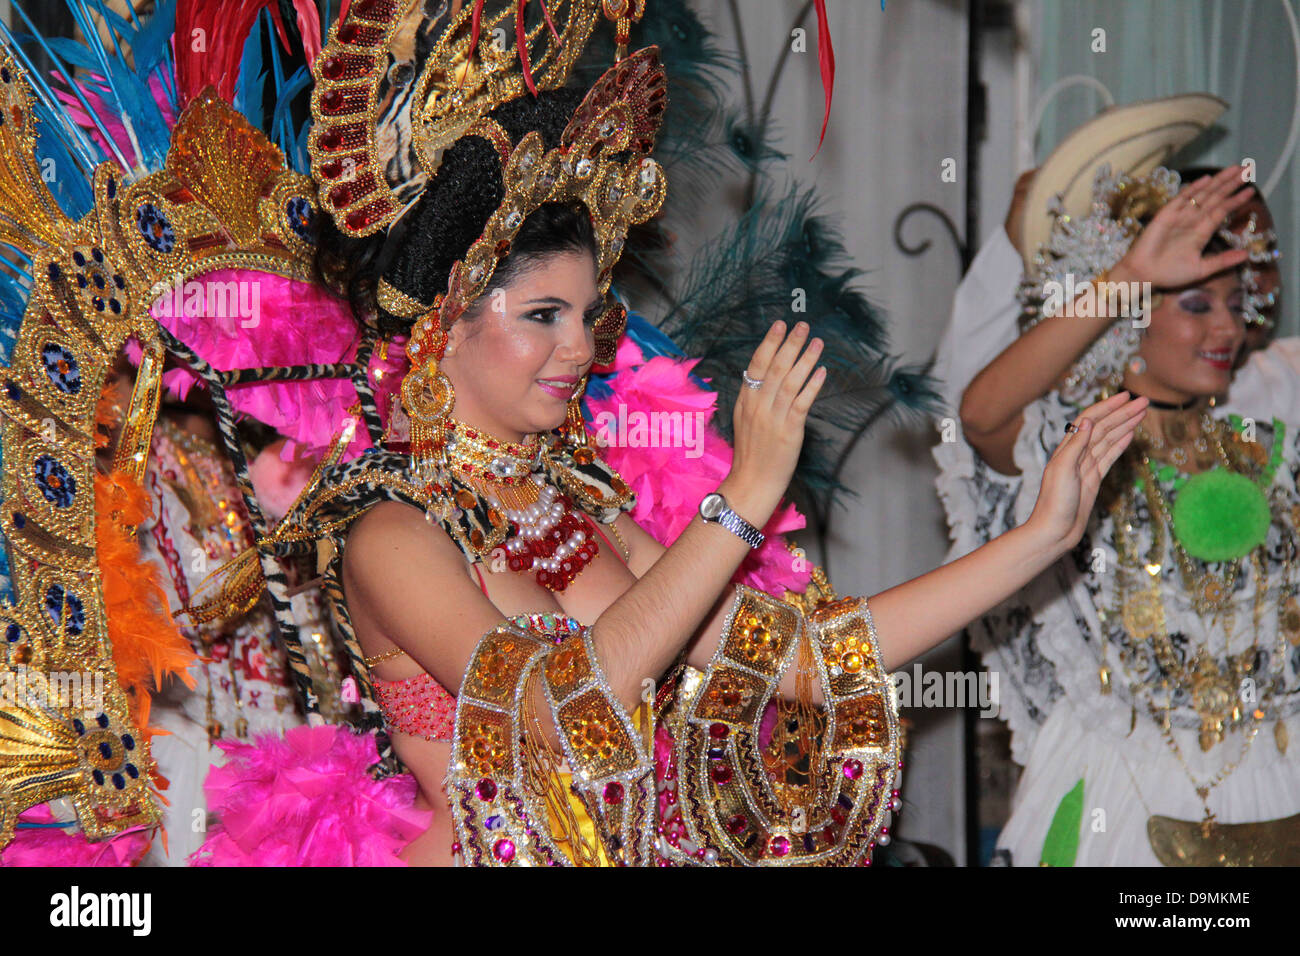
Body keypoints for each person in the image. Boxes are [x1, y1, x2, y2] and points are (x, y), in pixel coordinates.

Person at [285, 20, 1147, 864]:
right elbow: (556, 718)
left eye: (588, 315)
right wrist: (739, 499)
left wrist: (1041, 535)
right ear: (444, 324)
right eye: (543, 315)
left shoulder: (579, 506)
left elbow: (808, 661)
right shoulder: (391, 533)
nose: (582, 348)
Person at [947, 161, 1300, 865]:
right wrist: (1128, 273)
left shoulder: (1266, 438)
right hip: (1118, 798)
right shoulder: (1072, 447)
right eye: (1196, 305)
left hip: (1274, 780)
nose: (1227, 326)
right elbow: (981, 412)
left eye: (1236, 303)